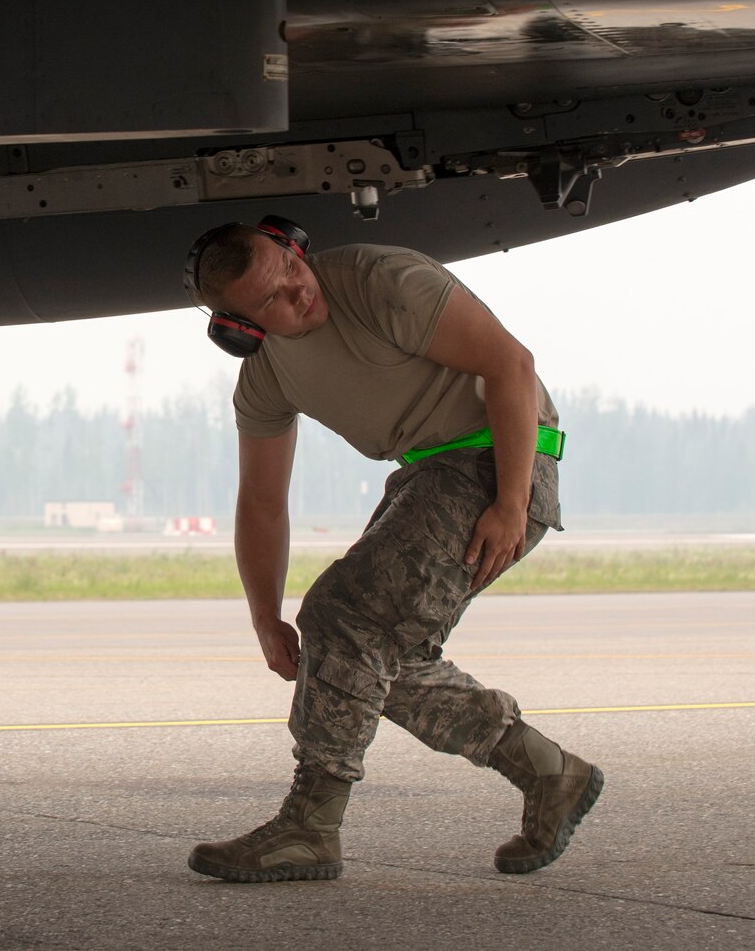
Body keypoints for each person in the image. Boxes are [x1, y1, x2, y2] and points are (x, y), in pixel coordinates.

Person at [181, 217, 602, 883]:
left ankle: (310, 826)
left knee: (343, 616)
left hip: (498, 458)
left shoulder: (381, 281)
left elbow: (510, 364)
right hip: (429, 475)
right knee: (365, 653)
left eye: (290, 266)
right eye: (271, 300)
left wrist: (511, 502)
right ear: (241, 328)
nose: (298, 290)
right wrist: (265, 616)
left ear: (295, 243)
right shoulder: (265, 379)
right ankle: (549, 771)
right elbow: (261, 500)